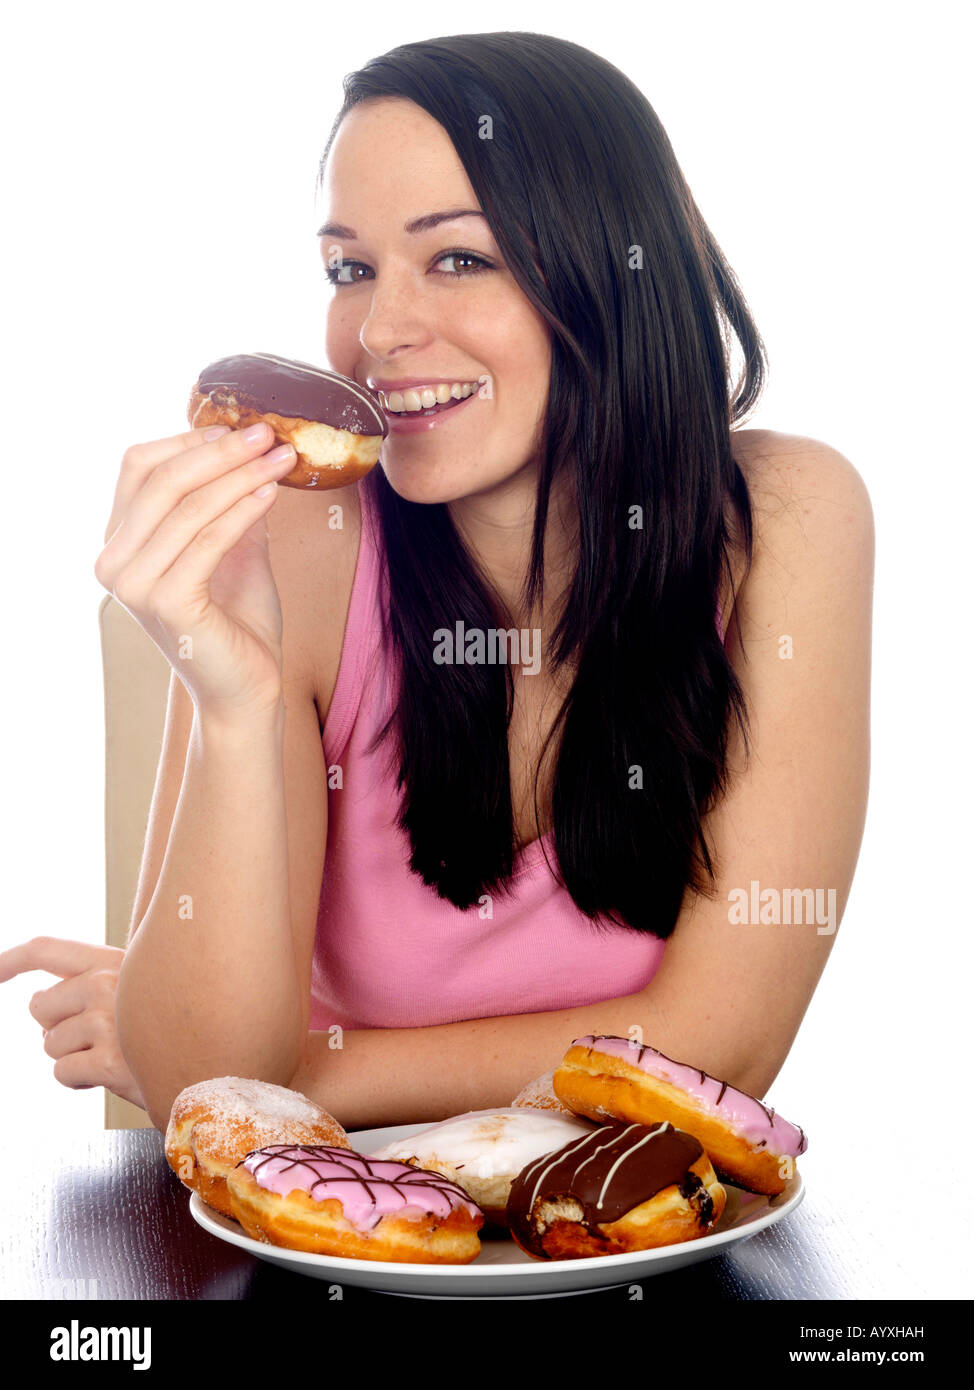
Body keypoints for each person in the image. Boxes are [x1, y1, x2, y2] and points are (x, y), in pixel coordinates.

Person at [0, 33, 873, 1135]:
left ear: (609, 267)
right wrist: (236, 697)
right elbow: (213, 1084)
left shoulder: (787, 517)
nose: (377, 333)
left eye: (456, 259)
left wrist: (307, 1072)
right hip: (327, 1227)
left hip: (621, 1238)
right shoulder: (303, 544)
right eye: (349, 268)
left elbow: (726, 1042)